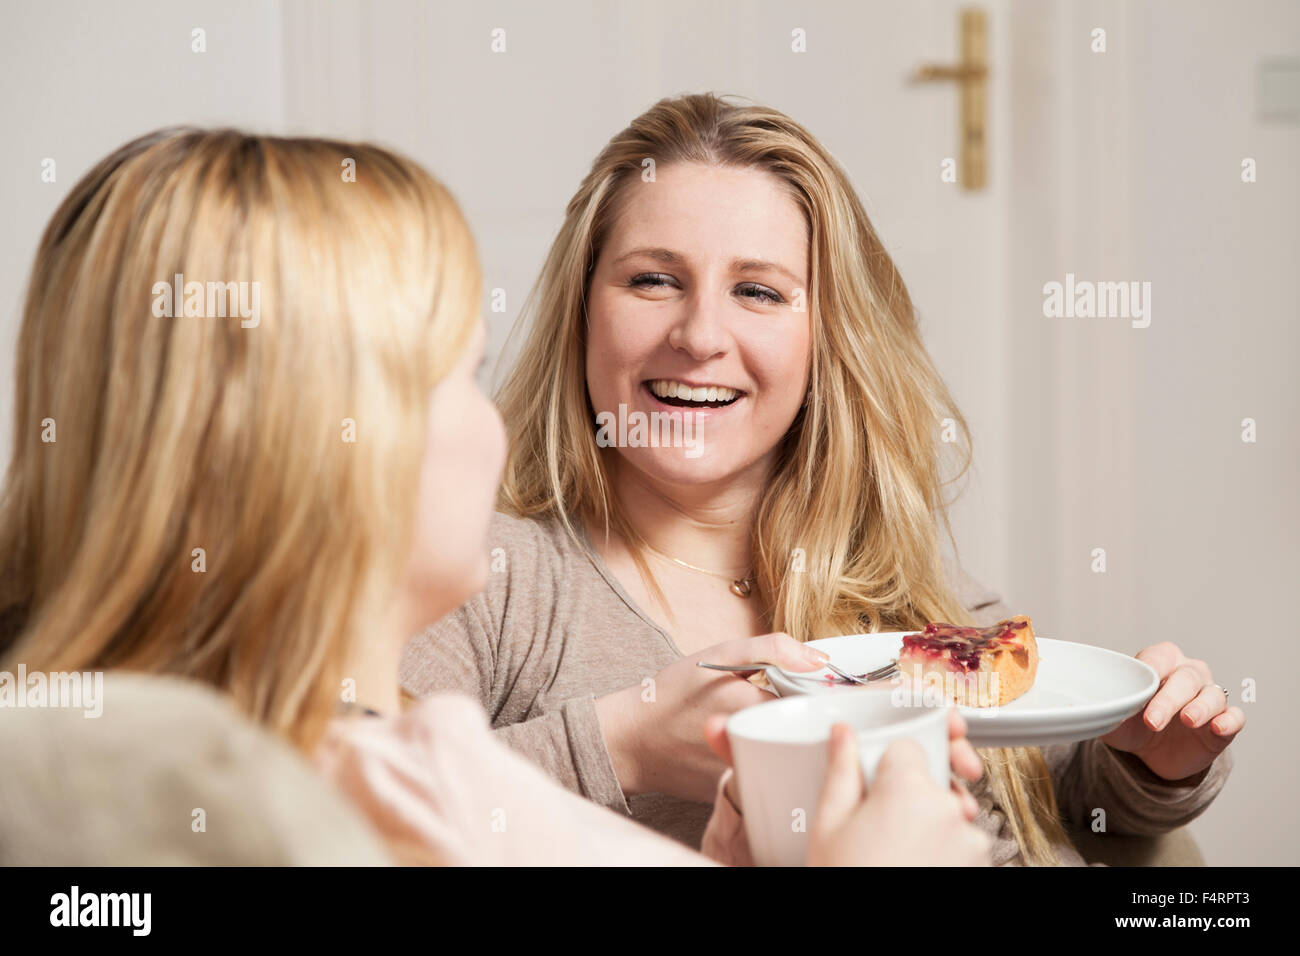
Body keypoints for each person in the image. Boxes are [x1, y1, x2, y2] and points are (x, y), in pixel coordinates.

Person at [0, 127, 990, 866]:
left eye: (760, 291)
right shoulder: (197, 794)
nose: (500, 423)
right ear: (322, 440)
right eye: (462, 375)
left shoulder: (416, 757)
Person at [398, 93, 1242, 865]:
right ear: (584, 306)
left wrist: (1149, 764)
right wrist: (623, 747)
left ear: (824, 342)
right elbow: (353, 810)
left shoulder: (903, 586)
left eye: (758, 292)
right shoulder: (486, 575)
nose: (699, 335)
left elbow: (1065, 803)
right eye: (653, 280)